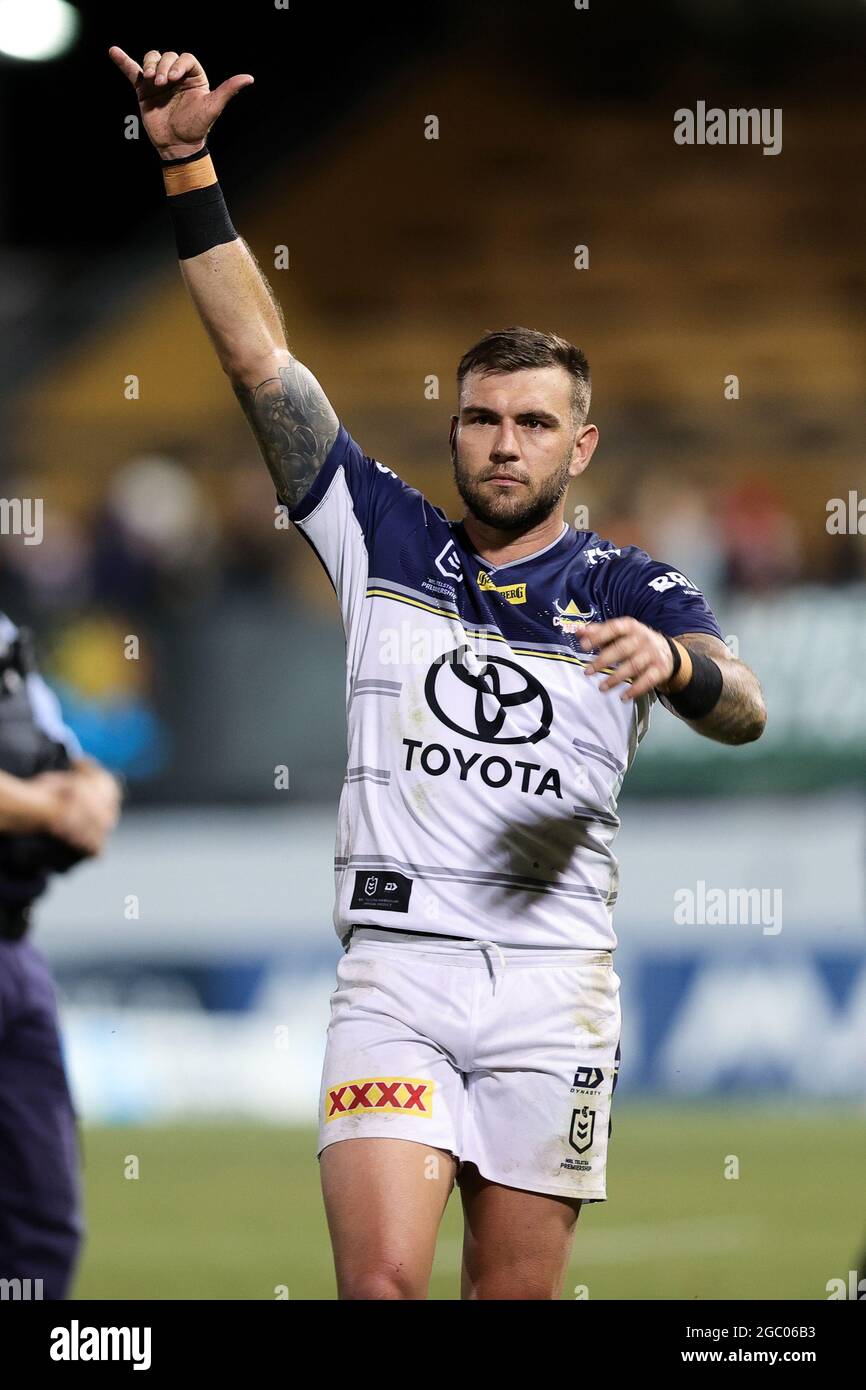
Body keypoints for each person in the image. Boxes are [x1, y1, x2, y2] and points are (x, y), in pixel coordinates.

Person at [109, 44, 767, 1300]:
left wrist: (678, 665)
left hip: (553, 983)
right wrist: (186, 165)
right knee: (382, 1287)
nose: (503, 443)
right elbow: (261, 365)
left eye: (532, 423)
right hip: (395, 973)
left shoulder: (630, 587)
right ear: (453, 426)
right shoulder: (381, 535)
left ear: (579, 445)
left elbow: (744, 707)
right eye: (481, 417)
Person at [0, 613, 121, 1299]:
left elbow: (65, 753)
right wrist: (48, 811)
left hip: (15, 946)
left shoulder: (6, 634)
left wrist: (94, 792)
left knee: (41, 1220)